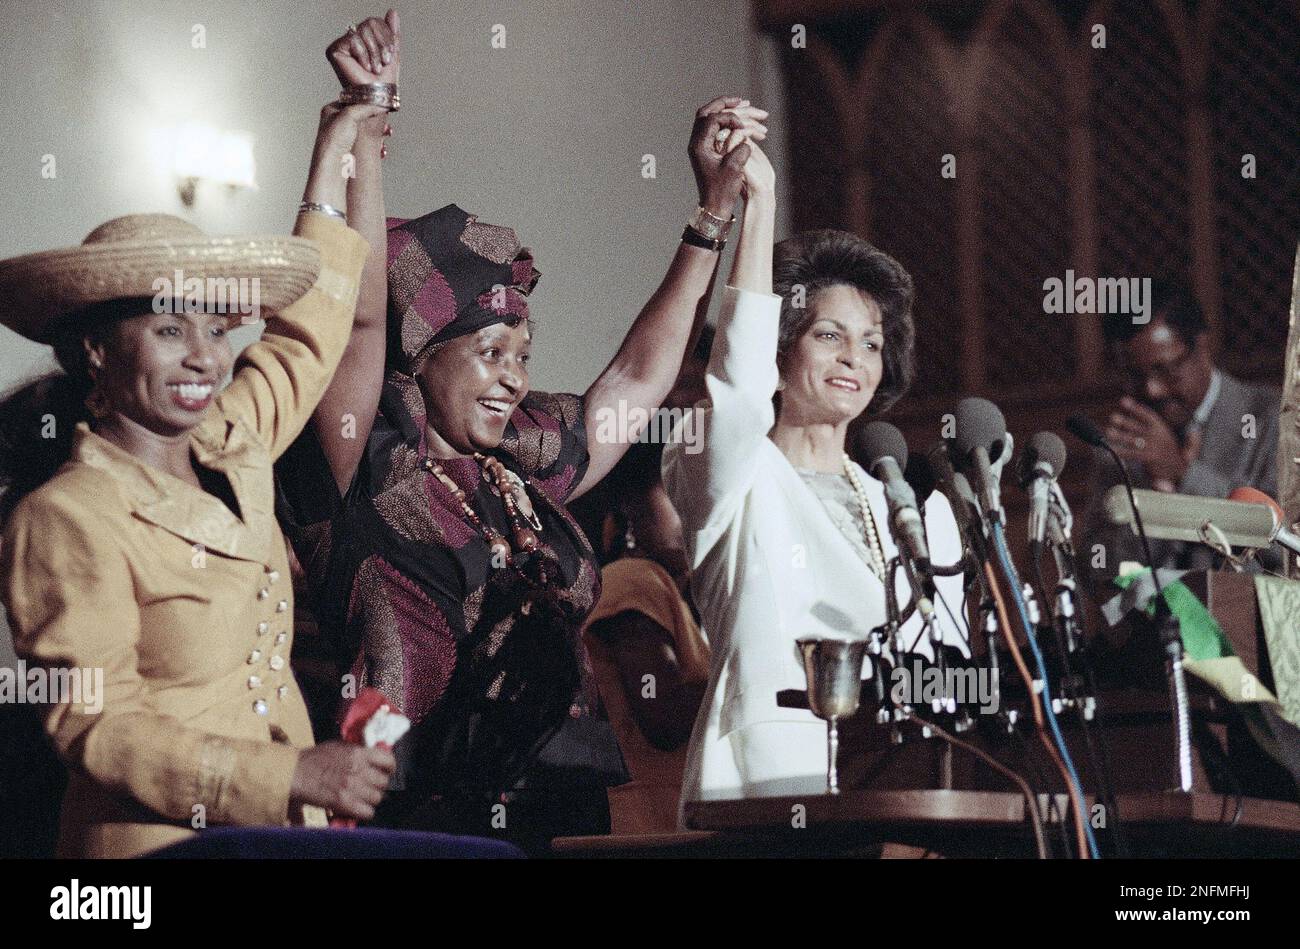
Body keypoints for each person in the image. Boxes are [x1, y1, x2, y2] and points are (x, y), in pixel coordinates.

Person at [274, 11, 770, 851]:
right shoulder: (363, 457)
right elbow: (357, 321)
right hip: (410, 812)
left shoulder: (519, 470)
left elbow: (638, 379)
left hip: (559, 809)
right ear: (422, 357)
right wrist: (367, 121)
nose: (516, 375)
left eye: (525, 353)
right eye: (491, 351)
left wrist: (711, 215)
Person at [0, 99, 397, 859]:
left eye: (216, 330)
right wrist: (287, 773)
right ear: (94, 350)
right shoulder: (65, 516)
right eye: (170, 329)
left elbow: (308, 334)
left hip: (273, 840)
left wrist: (338, 145)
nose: (205, 359)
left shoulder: (234, 445)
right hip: (148, 856)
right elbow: (97, 723)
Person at [662, 142, 969, 805]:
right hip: (768, 782)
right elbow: (736, 384)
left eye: (871, 342)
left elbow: (947, 670)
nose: (853, 357)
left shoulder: (911, 509)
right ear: (779, 344)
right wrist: (759, 204)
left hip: (908, 791)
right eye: (829, 335)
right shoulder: (729, 477)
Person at [1080, 280, 1281, 591]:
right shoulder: (1120, 442)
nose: (1152, 390)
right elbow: (1098, 572)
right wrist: (1154, 495)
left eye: (1166, 370)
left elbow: (1285, 546)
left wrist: (1183, 474)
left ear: (1202, 345)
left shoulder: (1270, 419)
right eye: (1136, 376)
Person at [583, 437, 712, 834]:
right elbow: (663, 716)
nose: (694, 514)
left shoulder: (670, 589)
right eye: (677, 495)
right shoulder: (633, 578)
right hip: (651, 823)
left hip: (677, 815)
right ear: (630, 506)